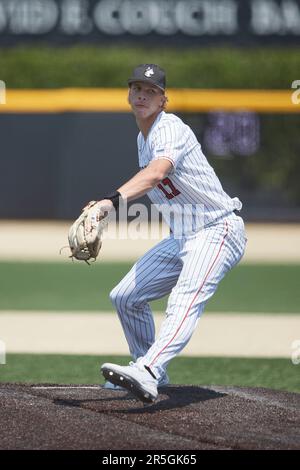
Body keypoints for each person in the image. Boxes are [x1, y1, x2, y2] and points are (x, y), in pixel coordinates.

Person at [95, 64, 247, 403]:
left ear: (164, 100)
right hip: (184, 236)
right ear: (128, 96)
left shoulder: (169, 128)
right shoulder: (143, 138)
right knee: (125, 296)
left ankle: (148, 370)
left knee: (184, 297)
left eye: (151, 91)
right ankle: (153, 369)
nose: (142, 95)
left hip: (217, 228)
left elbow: (157, 172)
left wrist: (110, 202)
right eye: (137, 89)